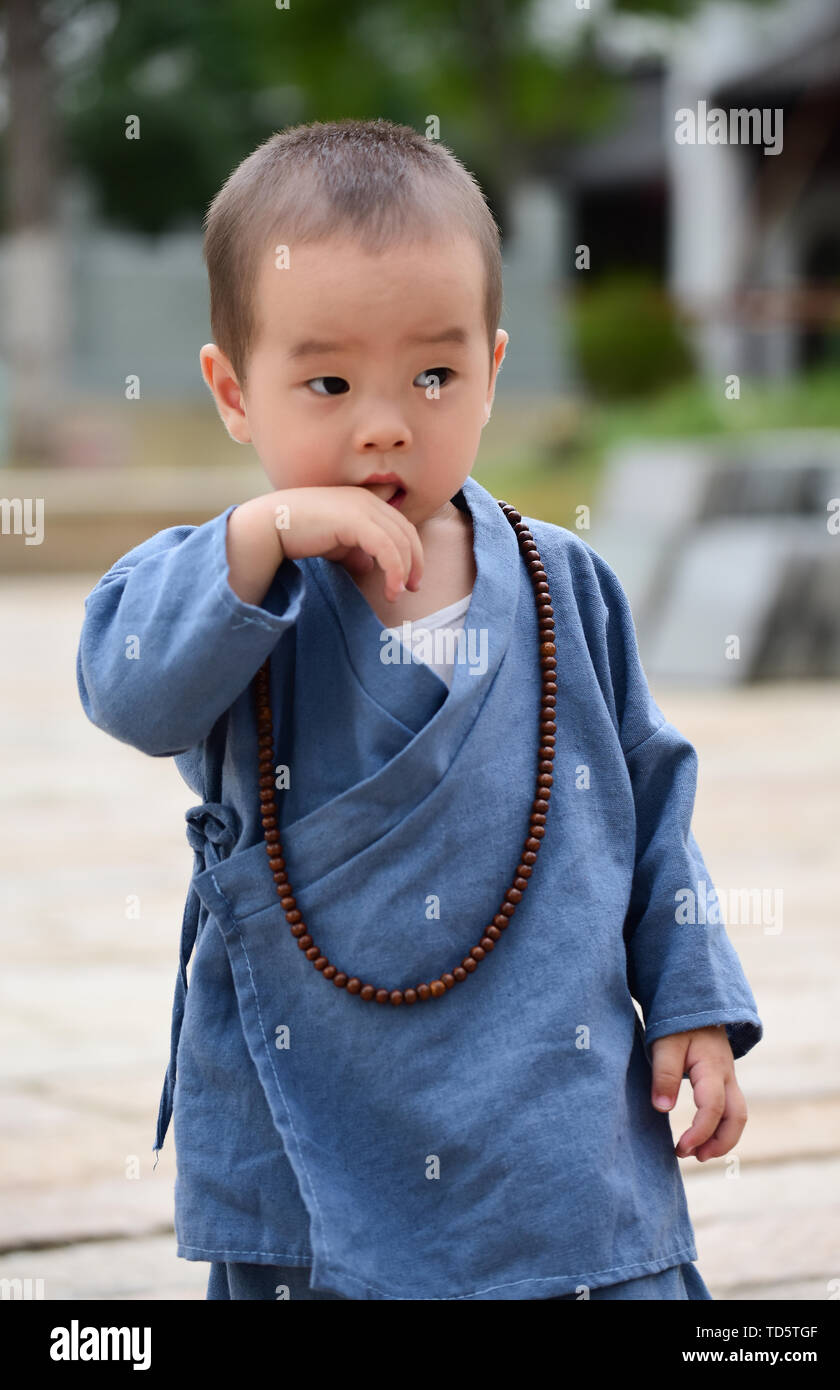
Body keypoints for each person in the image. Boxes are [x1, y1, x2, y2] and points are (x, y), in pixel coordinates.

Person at [76, 118, 762, 1301]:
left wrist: (692, 995)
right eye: (328, 381)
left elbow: (652, 799)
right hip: (312, 1110)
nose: (385, 423)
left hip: (549, 1104)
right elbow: (127, 689)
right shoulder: (238, 585)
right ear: (235, 391)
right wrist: (259, 540)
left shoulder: (565, 585)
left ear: (493, 369)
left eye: (434, 375)